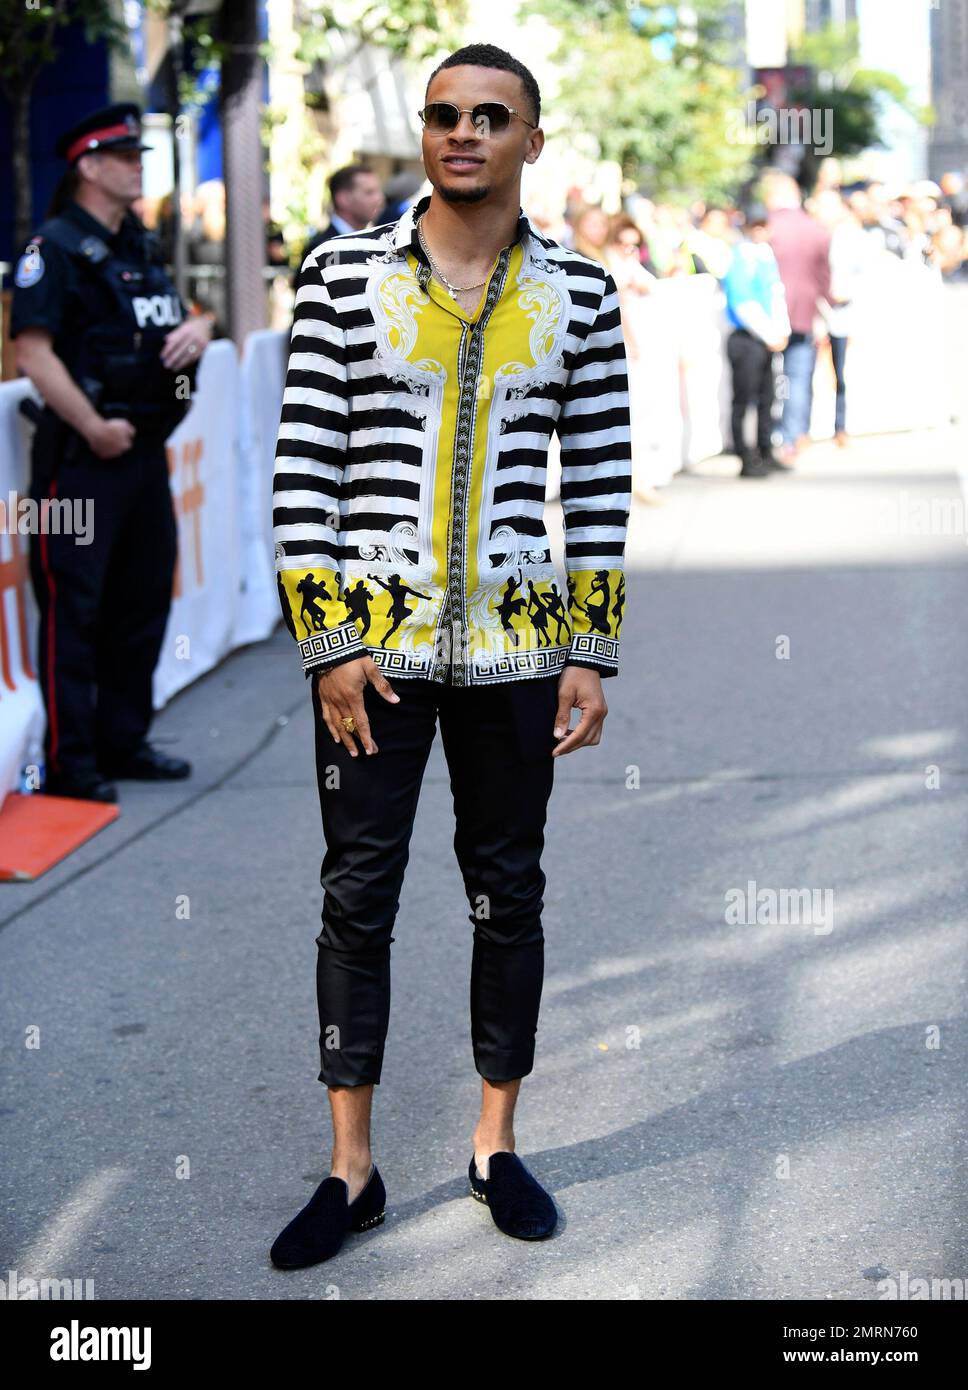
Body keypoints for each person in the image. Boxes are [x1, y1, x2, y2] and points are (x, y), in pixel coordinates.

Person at [269, 41, 632, 1268]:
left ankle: (493, 1144)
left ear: (532, 139)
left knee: (507, 890)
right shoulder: (340, 276)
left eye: (488, 115)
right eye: (441, 114)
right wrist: (326, 642)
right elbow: (302, 470)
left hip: (519, 649)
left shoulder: (580, 289)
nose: (461, 132)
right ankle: (350, 1169)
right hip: (371, 652)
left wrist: (589, 650)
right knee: (356, 894)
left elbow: (598, 480)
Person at [10, 103, 213, 802]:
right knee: (75, 611)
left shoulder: (139, 244)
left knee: (142, 600)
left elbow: (179, 316)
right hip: (78, 463)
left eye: (138, 157)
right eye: (125, 158)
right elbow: (32, 353)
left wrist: (201, 328)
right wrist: (94, 425)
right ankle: (72, 763)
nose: (137, 169)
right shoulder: (53, 249)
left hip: (143, 456)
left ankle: (124, 741)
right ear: (88, 167)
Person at [763, 171, 831, 466]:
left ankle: (773, 435)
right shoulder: (816, 229)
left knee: (769, 379)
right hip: (804, 310)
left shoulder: (767, 227)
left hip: (770, 313)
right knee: (798, 378)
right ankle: (794, 435)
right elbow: (824, 275)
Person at [721, 205, 790, 478]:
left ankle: (765, 449)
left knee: (767, 397)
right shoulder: (741, 256)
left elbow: (776, 296)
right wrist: (770, 334)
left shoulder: (765, 254)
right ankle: (744, 456)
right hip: (748, 337)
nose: (760, 230)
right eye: (756, 225)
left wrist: (780, 330)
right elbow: (742, 302)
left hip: (766, 338)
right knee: (743, 400)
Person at [292, 165, 385, 294]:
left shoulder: (380, 243)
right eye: (369, 192)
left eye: (378, 191)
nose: (379, 199)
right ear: (343, 199)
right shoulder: (322, 249)